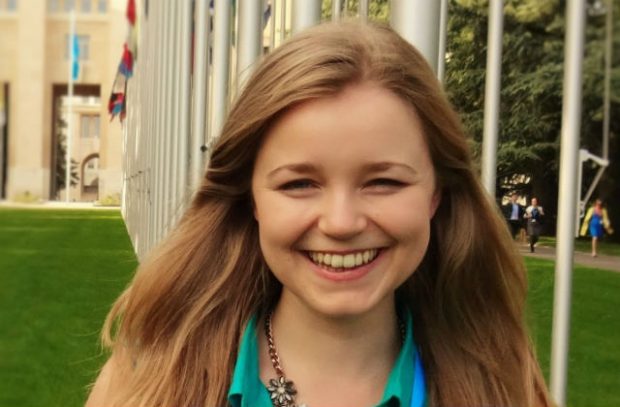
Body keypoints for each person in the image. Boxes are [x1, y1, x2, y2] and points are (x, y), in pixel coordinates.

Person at [85, 22, 552, 407]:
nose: (341, 222)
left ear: (436, 195)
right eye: (299, 184)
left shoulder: (506, 389)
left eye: (384, 182)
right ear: (251, 198)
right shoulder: (146, 384)